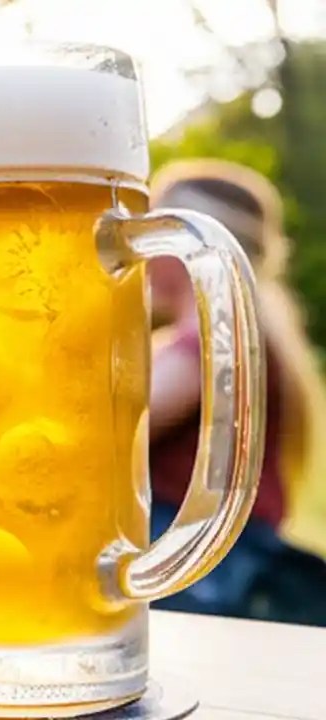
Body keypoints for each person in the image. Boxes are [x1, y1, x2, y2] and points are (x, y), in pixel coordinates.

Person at [147, 159, 326, 624]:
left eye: (153, 226)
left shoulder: (205, 340)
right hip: (231, 559)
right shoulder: (250, 330)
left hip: (193, 572)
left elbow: (114, 428)